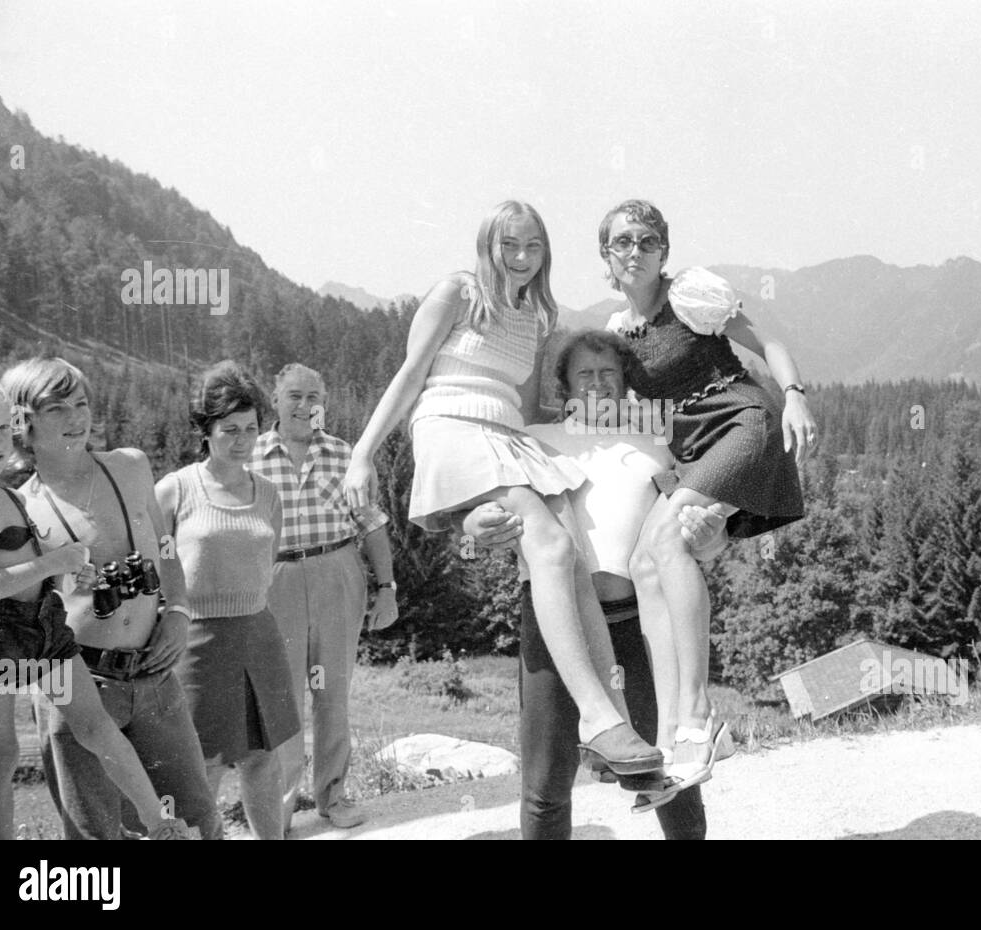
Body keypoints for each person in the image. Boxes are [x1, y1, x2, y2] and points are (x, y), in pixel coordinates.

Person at [345, 201, 661, 775]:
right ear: (487, 245)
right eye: (508, 245)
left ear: (546, 252)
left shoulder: (539, 315)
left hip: (509, 435)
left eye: (532, 247)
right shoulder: (456, 293)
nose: (520, 258)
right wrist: (363, 455)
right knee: (551, 545)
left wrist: (614, 418)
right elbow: (411, 375)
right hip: (451, 426)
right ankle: (595, 715)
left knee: (574, 552)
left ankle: (614, 719)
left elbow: (535, 402)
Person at [462, 329, 730, 837]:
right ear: (563, 384)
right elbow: (483, 511)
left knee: (666, 760)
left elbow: (693, 545)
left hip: (639, 626)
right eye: (584, 373)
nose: (598, 383)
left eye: (608, 372)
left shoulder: (657, 445)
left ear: (626, 379)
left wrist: (712, 534)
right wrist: (475, 524)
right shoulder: (535, 441)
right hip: (557, 628)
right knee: (546, 775)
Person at [599, 199, 812, 793]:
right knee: (643, 563)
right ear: (606, 258)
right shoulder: (618, 332)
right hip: (692, 449)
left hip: (743, 421)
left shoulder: (690, 294)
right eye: (622, 242)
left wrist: (793, 392)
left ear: (664, 251)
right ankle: (671, 731)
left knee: (667, 544)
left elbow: (765, 338)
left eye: (647, 241)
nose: (635, 251)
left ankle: (699, 716)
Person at [0, 368, 191, 841]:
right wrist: (57, 561)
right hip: (5, 645)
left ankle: (162, 824)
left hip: (71, 640)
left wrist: (74, 572)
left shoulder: (14, 494)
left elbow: (46, 566)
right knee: (3, 757)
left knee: (102, 734)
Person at [249, 362, 398, 831]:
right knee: (283, 697)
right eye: (294, 395)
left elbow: (371, 525)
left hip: (337, 571)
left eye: (315, 397)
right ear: (274, 400)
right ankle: (279, 808)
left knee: (332, 693)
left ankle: (333, 797)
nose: (305, 406)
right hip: (275, 581)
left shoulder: (344, 455)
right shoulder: (250, 455)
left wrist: (387, 588)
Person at [156, 361, 301, 840]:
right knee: (201, 767)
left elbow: (266, 559)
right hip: (196, 642)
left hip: (258, 635)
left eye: (251, 429)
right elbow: (155, 571)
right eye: (229, 429)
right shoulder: (175, 490)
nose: (242, 440)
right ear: (205, 430)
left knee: (262, 758)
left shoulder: (269, 494)